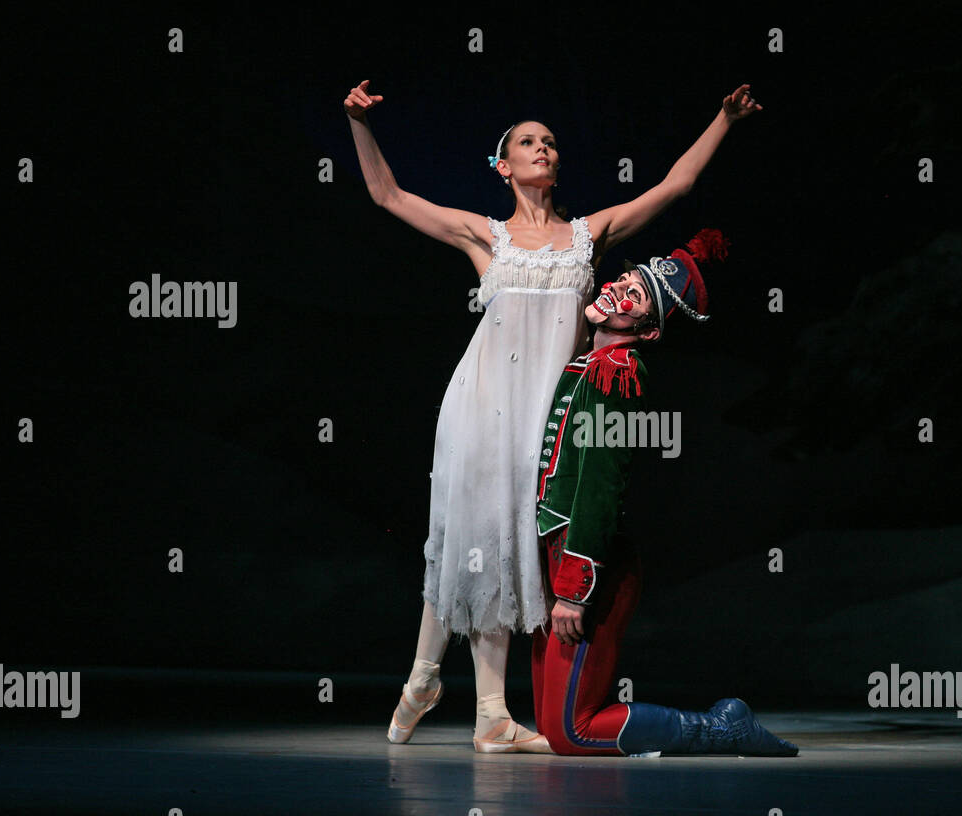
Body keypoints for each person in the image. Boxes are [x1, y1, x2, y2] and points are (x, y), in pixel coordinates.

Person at [342, 79, 764, 752]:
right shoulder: (487, 237)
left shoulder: (588, 237)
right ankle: (443, 686)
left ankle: (484, 714)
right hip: (482, 405)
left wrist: (723, 118)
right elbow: (387, 195)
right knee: (476, 544)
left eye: (551, 141)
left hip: (548, 418)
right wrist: (358, 122)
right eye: (528, 142)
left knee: (514, 552)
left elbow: (675, 187)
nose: (544, 148)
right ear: (504, 166)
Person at [530, 230, 798, 757]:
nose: (617, 291)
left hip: (589, 568)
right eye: (623, 280)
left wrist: (573, 587)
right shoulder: (589, 364)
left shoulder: (618, 372)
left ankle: (722, 729)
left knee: (573, 733)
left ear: (647, 331)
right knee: (551, 727)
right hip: (557, 554)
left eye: (636, 296)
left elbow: (600, 486)